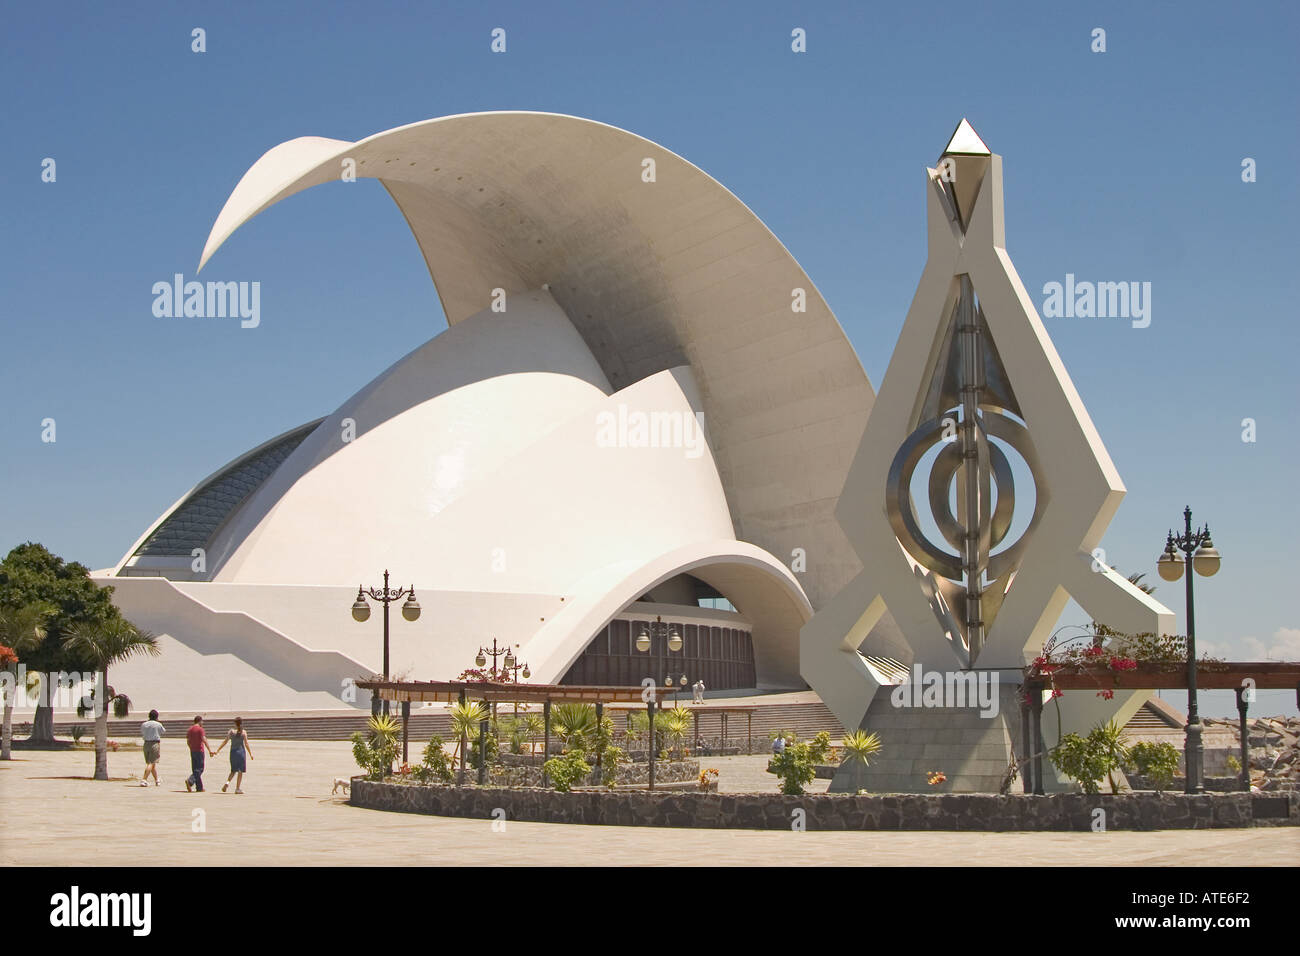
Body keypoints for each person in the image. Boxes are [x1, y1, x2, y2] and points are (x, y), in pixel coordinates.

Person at [214, 716, 254, 793]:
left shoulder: (231, 732)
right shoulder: (243, 732)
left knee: (233, 770)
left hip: (233, 753)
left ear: (235, 723)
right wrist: (250, 754)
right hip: (241, 753)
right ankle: (237, 788)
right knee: (240, 771)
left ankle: (227, 783)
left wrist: (218, 750)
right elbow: (246, 744)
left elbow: (225, 742)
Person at [184, 715, 215, 792]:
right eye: (202, 721)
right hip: (199, 751)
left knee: (195, 769)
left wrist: (191, 747)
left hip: (193, 751)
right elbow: (204, 739)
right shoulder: (200, 729)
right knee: (200, 769)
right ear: (199, 721)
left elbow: (188, 741)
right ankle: (190, 781)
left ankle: (199, 787)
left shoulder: (190, 729)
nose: (203, 723)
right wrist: (210, 750)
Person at [140, 709, 165, 787]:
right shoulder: (158, 724)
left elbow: (142, 732)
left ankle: (157, 780)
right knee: (151, 763)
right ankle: (144, 779)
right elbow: (162, 731)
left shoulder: (144, 724)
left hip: (146, 743)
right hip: (154, 743)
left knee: (151, 764)